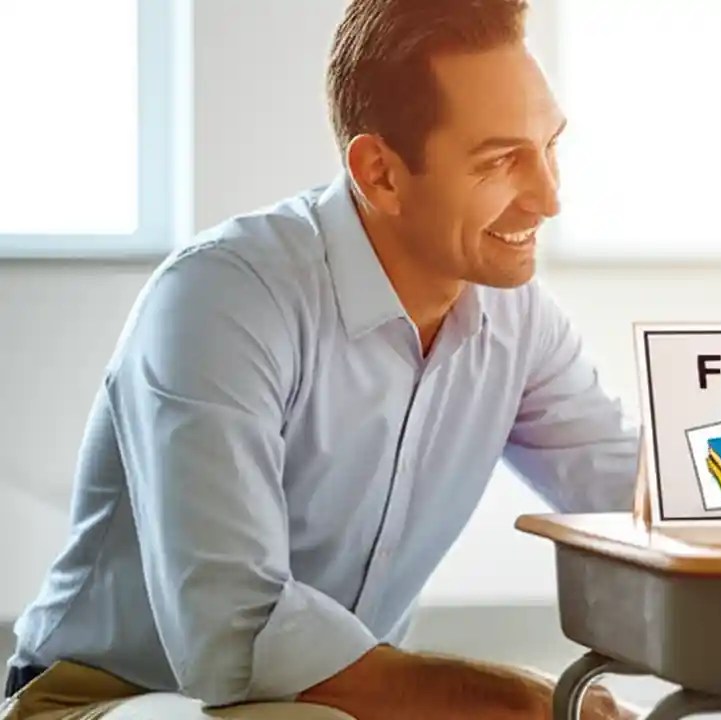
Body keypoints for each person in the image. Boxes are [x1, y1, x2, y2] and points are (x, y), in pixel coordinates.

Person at [1, 1, 641, 718]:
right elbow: (235, 636)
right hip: (106, 700)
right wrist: (522, 701)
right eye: (500, 161)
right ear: (381, 174)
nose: (549, 198)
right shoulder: (223, 299)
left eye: (550, 147)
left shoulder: (517, 322)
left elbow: (641, 489)